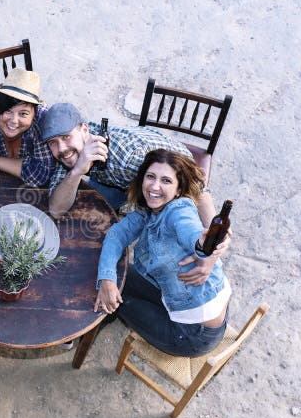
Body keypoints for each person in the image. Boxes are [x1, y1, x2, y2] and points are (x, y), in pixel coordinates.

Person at [40, 102, 228, 285]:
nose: (61, 148)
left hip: (173, 171)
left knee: (166, 242)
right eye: (53, 142)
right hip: (118, 179)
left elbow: (199, 189)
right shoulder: (68, 154)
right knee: (91, 216)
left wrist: (211, 250)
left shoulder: (129, 158)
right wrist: (77, 171)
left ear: (84, 130)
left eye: (66, 137)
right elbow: (56, 209)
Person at [95, 149, 230, 357]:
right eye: (151, 177)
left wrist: (202, 244)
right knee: (110, 277)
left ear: (178, 189)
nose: (155, 186)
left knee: (113, 300)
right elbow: (116, 235)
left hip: (193, 334)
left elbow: (190, 230)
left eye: (166, 180)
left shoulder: (179, 210)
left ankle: (101, 320)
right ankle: (110, 308)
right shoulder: (149, 211)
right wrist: (106, 278)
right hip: (185, 298)